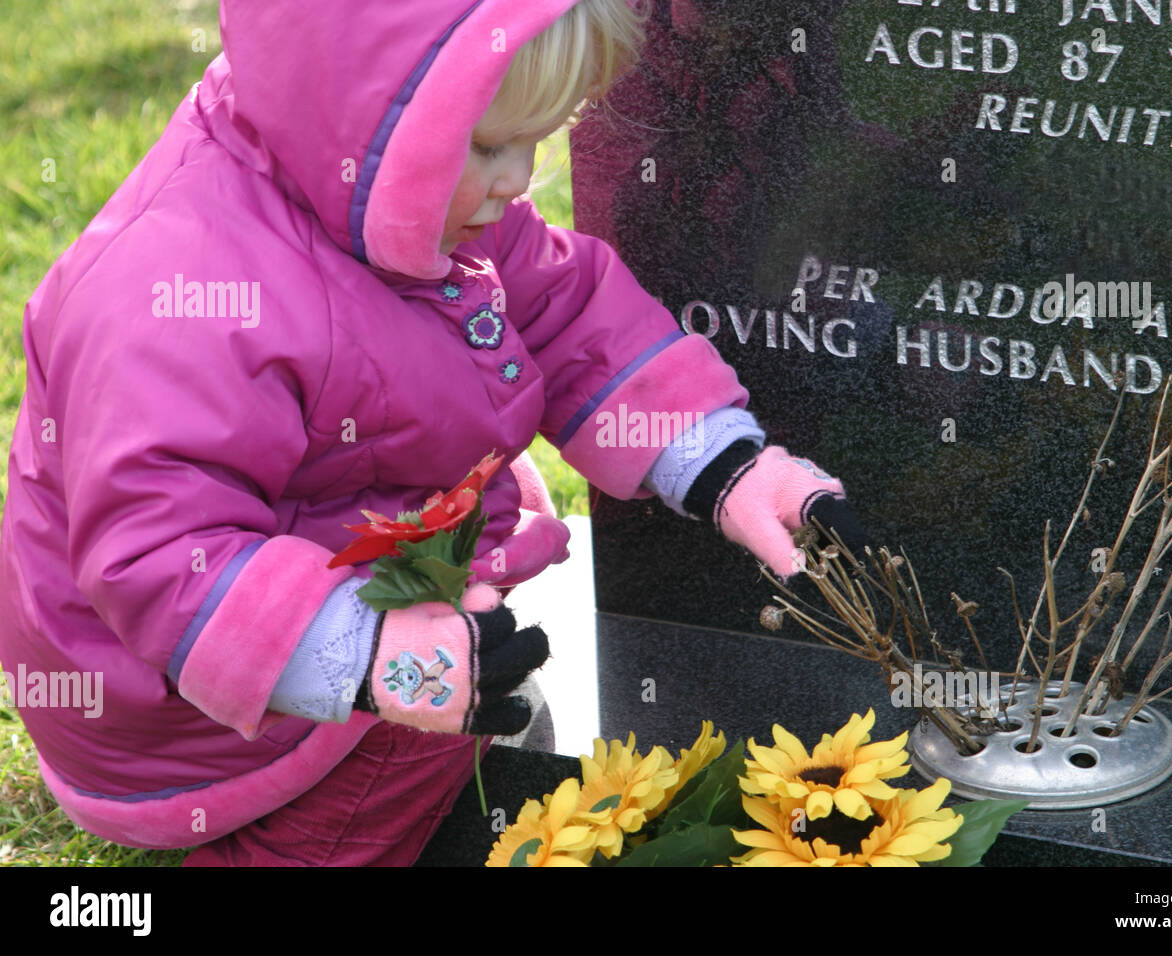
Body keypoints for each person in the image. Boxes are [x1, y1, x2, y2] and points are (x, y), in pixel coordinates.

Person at [0, 0, 867, 866]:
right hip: (186, 717)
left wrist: (722, 467)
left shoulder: (371, 187)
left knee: (460, 695)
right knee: (420, 751)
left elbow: (564, 313)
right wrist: (380, 659)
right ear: (366, 120)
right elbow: (160, 556)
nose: (520, 178)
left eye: (536, 138)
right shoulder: (181, 292)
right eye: (489, 146)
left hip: (334, 581)